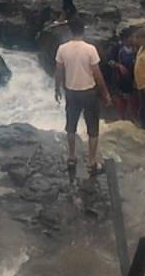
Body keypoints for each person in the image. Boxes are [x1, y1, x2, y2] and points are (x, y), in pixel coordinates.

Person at [54, 19, 112, 177]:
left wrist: (57, 88)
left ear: (70, 31)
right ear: (83, 30)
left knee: (71, 125)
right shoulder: (90, 49)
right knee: (93, 127)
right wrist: (105, 93)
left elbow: (59, 71)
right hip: (89, 93)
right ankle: (92, 162)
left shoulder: (62, 49)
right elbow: (97, 74)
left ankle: (72, 157)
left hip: (71, 92)